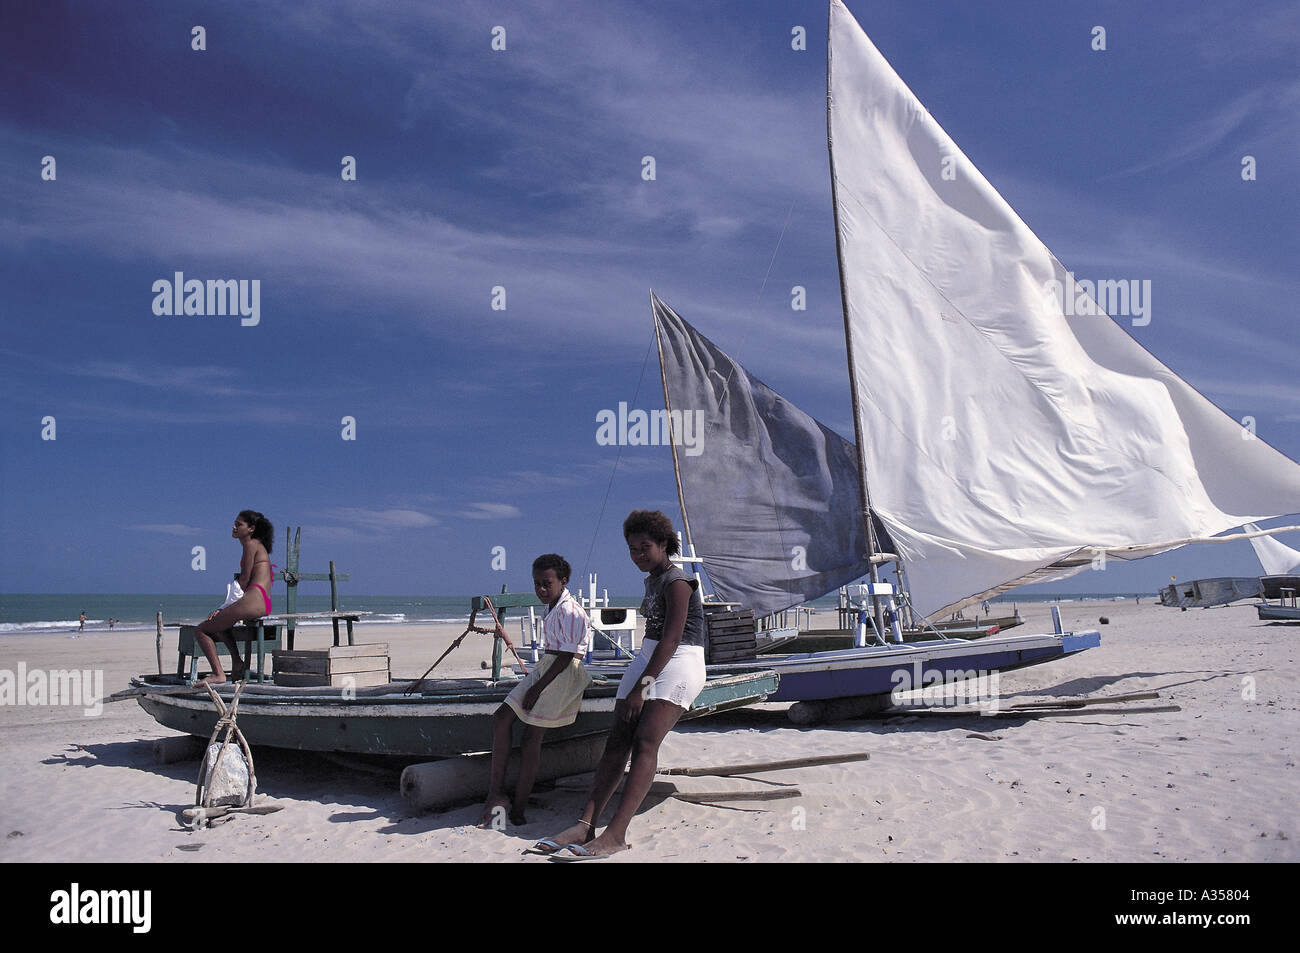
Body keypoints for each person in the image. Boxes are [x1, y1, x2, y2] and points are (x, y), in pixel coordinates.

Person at [536, 510, 705, 860]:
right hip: (649, 654)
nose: (638, 555)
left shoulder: (678, 582)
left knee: (645, 740)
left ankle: (616, 833)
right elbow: (656, 640)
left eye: (646, 547)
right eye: (632, 549)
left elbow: (672, 641)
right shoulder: (652, 579)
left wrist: (642, 689)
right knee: (617, 740)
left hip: (681, 658)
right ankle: (586, 824)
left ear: (664, 544)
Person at [478, 554, 592, 829]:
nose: (541, 589)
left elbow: (567, 657)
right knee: (502, 717)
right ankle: (496, 794)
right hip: (548, 666)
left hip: (564, 673)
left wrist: (536, 689)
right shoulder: (552, 606)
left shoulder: (570, 610)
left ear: (563, 582)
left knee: (531, 738)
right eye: (537, 584)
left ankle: (518, 808)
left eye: (547, 584)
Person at [192, 510, 274, 685]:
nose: (234, 527)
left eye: (239, 524)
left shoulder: (250, 544)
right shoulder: (258, 545)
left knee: (200, 630)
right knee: (221, 623)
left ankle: (218, 674)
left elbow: (243, 581)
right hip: (261, 601)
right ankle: (237, 662)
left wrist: (223, 607)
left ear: (251, 528)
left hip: (253, 599)